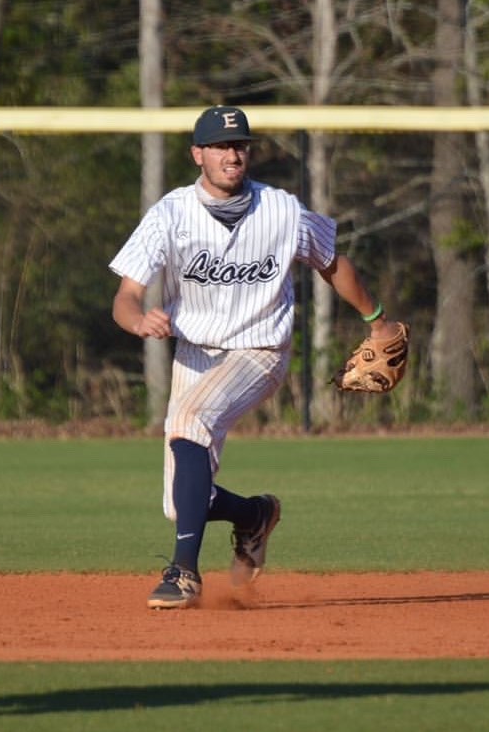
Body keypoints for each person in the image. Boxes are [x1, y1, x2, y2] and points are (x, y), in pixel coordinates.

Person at [110, 105, 403, 609]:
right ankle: (253, 516)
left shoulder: (282, 211)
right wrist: (137, 319)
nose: (233, 154)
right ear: (197, 154)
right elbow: (125, 295)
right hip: (195, 355)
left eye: (240, 145)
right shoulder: (171, 214)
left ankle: (183, 573)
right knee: (182, 504)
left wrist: (377, 320)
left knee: (189, 419)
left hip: (259, 350)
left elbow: (332, 263)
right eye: (221, 146)